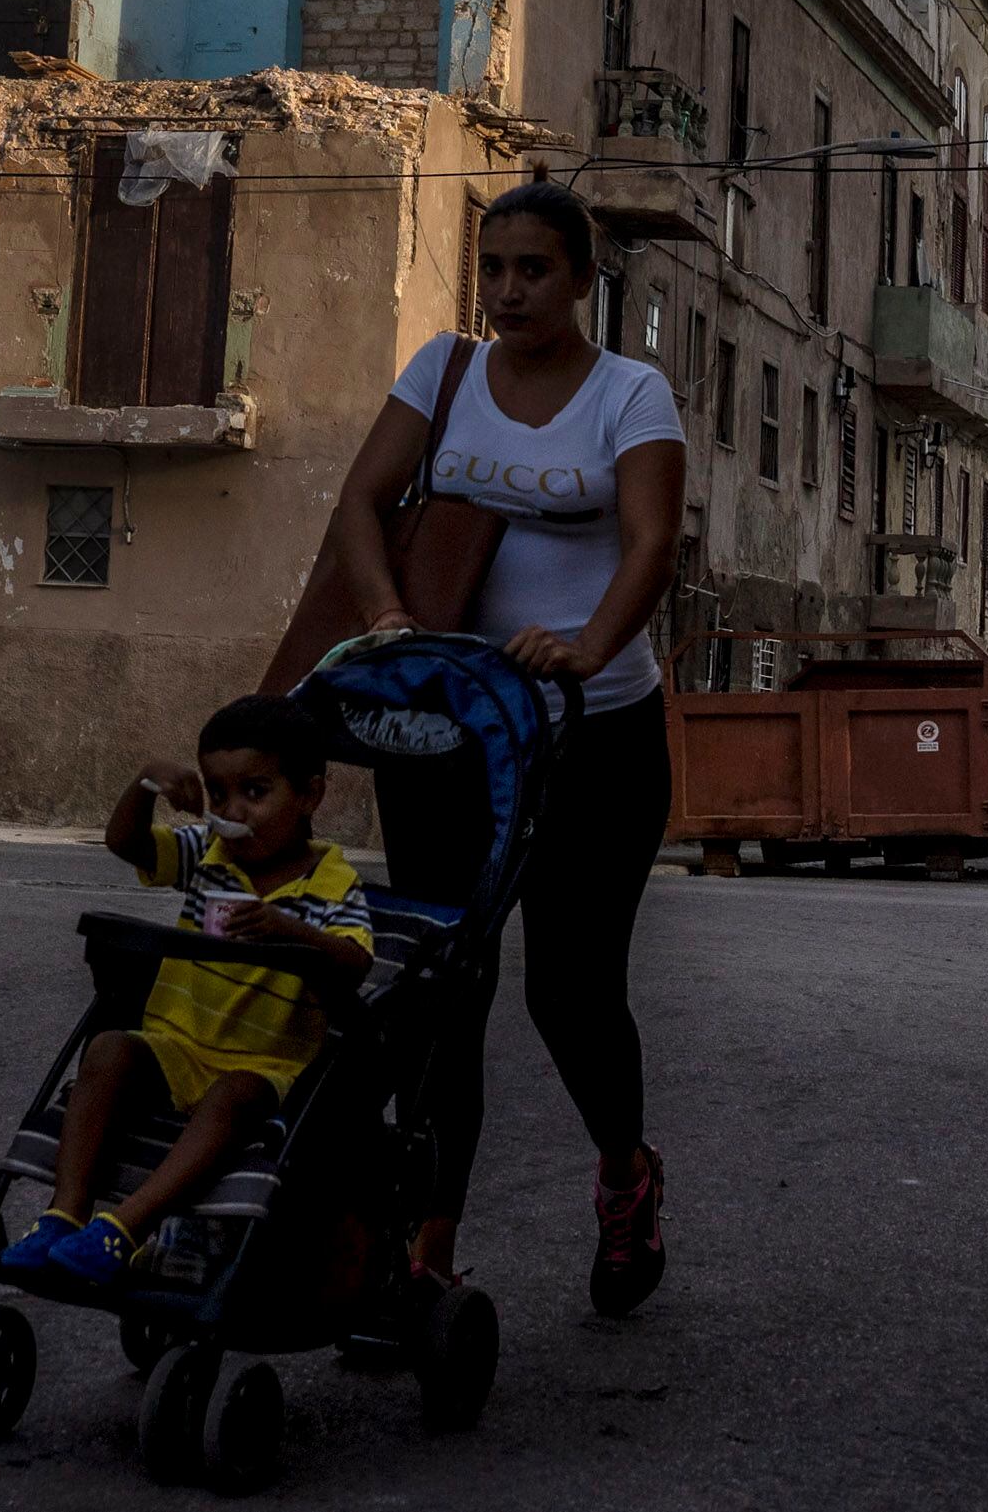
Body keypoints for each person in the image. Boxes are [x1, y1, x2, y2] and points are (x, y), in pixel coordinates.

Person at [309, 177, 685, 1317]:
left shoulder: (630, 393)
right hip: (451, 728)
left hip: (593, 735)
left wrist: (586, 645)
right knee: (439, 988)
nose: (509, 290)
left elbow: (651, 542)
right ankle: (426, 1251)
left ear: (581, 280)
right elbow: (360, 502)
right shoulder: (443, 371)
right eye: (494, 268)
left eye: (534, 270)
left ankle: (624, 1173)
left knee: (569, 993)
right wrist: (387, 617)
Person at [1, 694, 375, 1283]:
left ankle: (126, 1226)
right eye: (218, 794)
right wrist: (145, 783)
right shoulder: (209, 852)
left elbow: (355, 962)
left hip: (263, 1062)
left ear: (309, 795)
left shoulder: (333, 885)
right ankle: (64, 1214)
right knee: (108, 1049)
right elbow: (126, 843)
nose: (232, 812)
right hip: (178, 1043)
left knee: (234, 1095)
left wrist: (288, 930)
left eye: (255, 792)